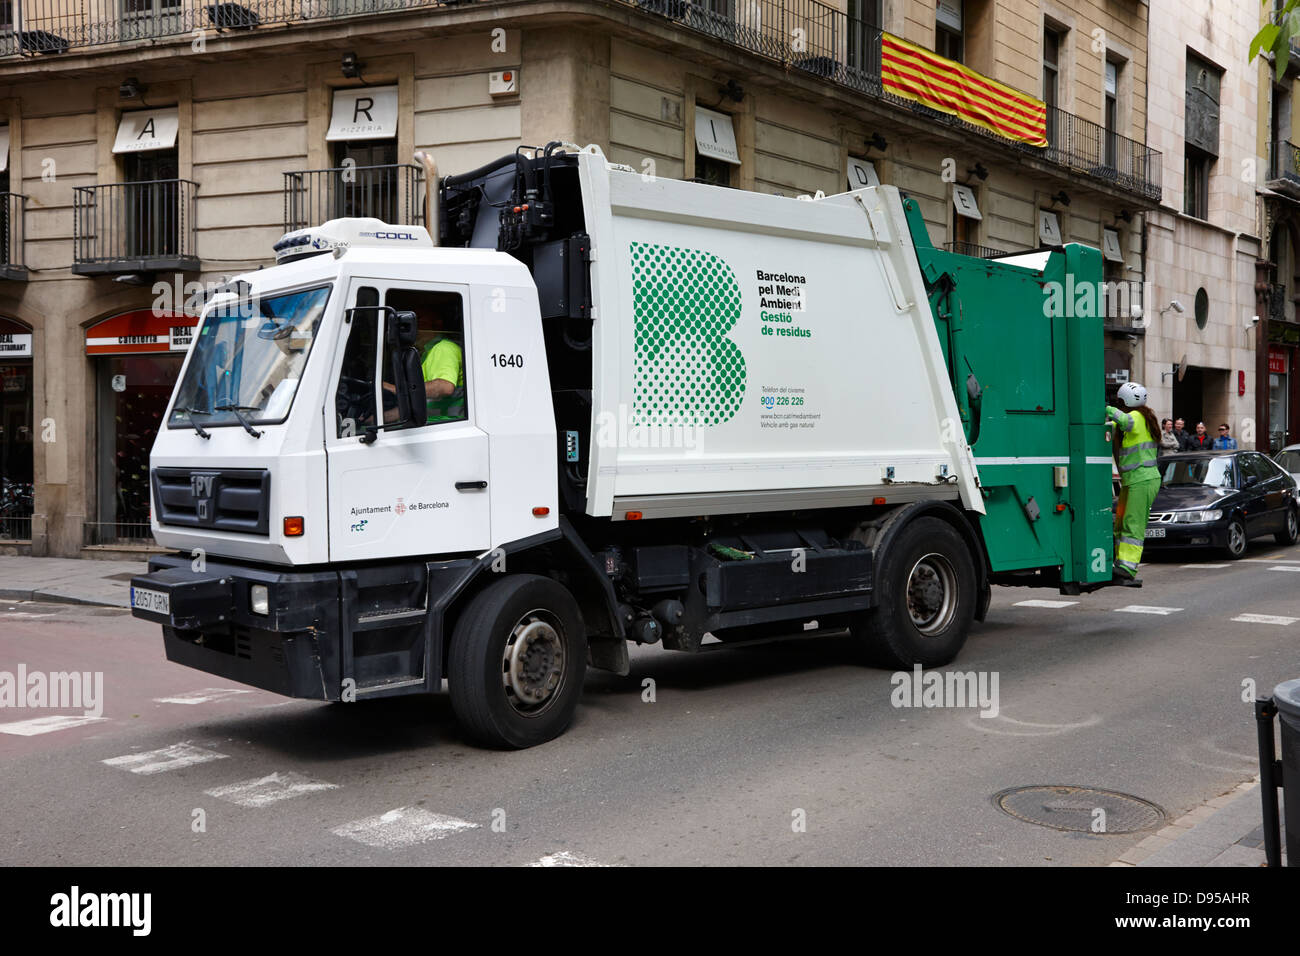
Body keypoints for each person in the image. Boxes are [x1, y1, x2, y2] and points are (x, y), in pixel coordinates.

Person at [1106, 381, 1161, 583]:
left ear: (1125, 401)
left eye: (1119, 401)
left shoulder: (1137, 416)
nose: (1118, 405)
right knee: (1121, 522)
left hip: (1143, 479)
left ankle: (1128, 567)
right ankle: (1120, 563)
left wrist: (1106, 408)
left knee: (1133, 523)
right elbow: (1114, 426)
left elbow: (1123, 420)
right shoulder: (1140, 418)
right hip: (1134, 480)